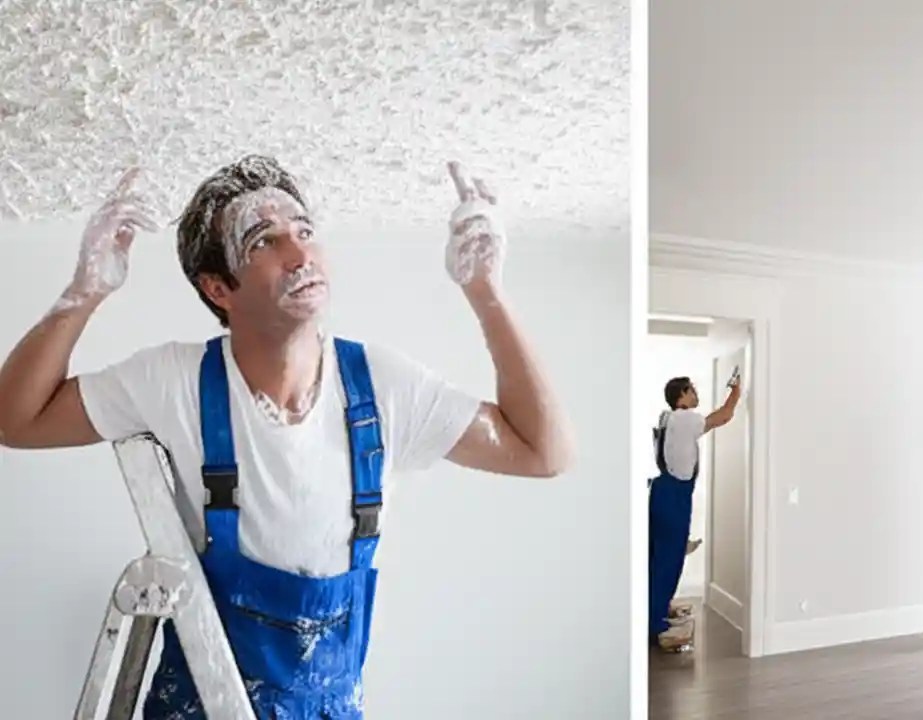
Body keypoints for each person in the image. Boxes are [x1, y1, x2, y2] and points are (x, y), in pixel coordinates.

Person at [0, 156, 572, 718]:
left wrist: (487, 293)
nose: (300, 256)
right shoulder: (174, 381)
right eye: (264, 242)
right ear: (219, 288)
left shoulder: (380, 385)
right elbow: (17, 421)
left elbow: (542, 452)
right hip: (199, 703)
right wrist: (84, 290)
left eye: (304, 231)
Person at [649, 370, 741, 651]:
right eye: (691, 390)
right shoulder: (686, 418)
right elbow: (723, 416)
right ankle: (656, 624)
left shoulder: (670, 419)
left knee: (659, 557)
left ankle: (657, 609)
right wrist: (736, 391)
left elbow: (703, 429)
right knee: (669, 561)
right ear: (681, 396)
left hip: (662, 492)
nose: (695, 393)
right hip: (674, 496)